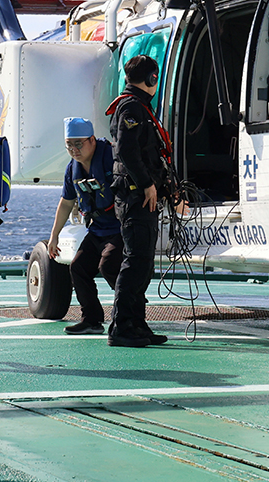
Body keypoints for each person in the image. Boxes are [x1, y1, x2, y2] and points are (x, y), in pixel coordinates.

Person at [105, 55, 171, 348]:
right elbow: (129, 153)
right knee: (135, 262)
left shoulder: (140, 107)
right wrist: (146, 185)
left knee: (143, 263)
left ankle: (137, 323)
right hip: (135, 195)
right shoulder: (131, 107)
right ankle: (121, 326)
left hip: (142, 194)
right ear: (152, 79)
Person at [47, 116, 122, 335]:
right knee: (78, 268)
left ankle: (127, 311)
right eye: (69, 144)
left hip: (119, 228)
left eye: (78, 143)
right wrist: (54, 237)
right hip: (97, 229)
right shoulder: (72, 169)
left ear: (91, 140)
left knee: (108, 265)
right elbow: (65, 203)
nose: (73, 149)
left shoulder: (111, 157)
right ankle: (92, 320)